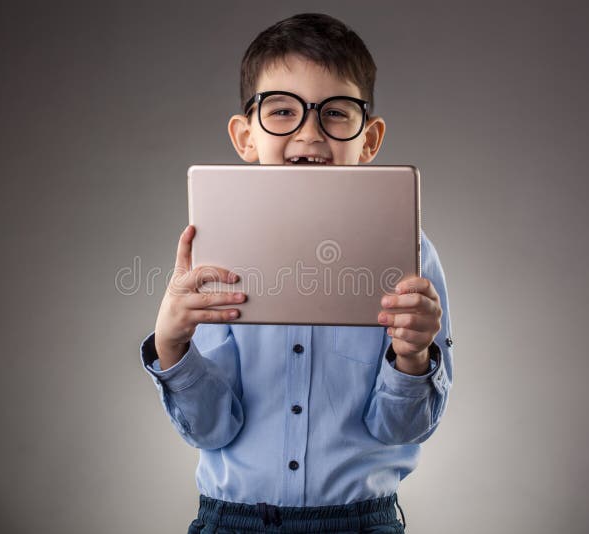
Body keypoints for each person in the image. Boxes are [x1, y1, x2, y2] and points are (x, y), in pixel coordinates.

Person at [140, 13, 454, 534]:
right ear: (245, 136)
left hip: (361, 523)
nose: (309, 132)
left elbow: (401, 428)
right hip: (232, 523)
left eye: (335, 112)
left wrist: (414, 356)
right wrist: (173, 347)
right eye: (282, 110)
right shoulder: (216, 253)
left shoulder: (409, 253)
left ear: (369, 140)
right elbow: (213, 429)